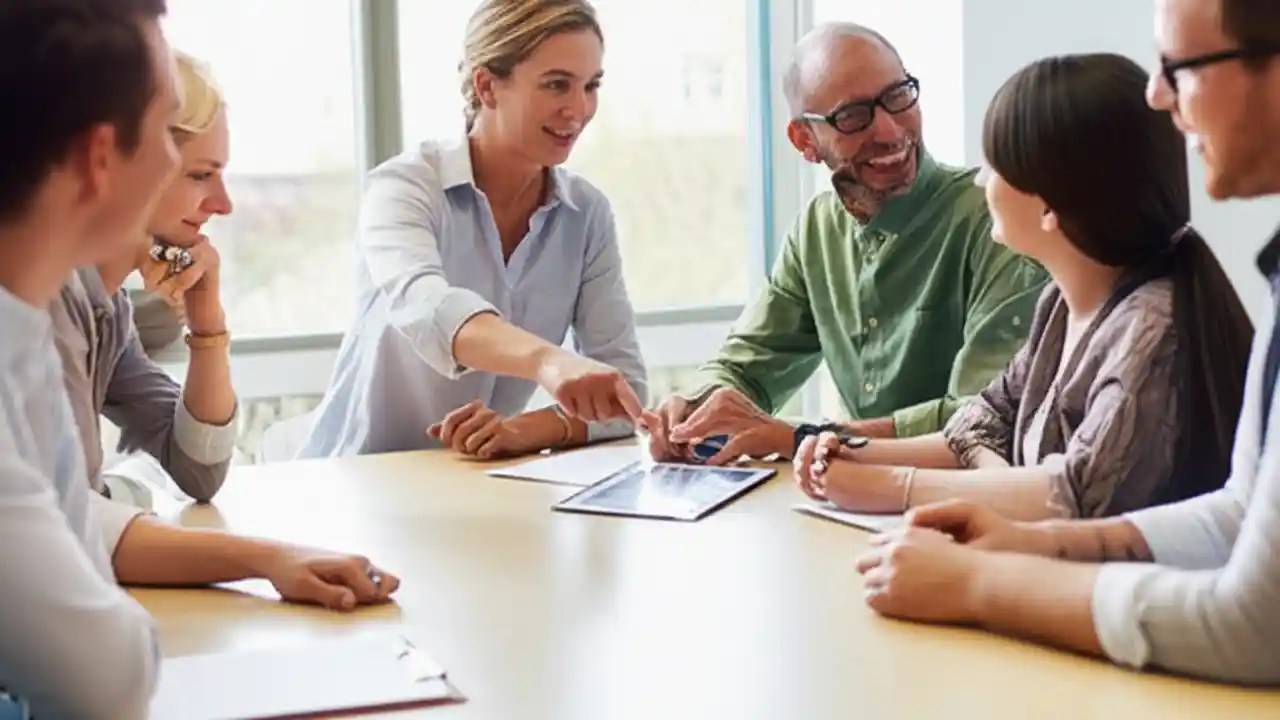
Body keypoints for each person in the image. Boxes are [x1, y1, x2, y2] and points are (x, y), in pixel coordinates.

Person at [854, 0, 1280, 685]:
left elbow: (1258, 626)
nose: (1156, 95)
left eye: (1180, 67)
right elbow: (1238, 515)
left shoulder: (1153, 324)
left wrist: (981, 584)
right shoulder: (1069, 302)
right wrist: (1036, 544)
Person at [793, 53, 1252, 521]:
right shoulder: (1059, 303)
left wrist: (895, 485)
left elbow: (1076, 495)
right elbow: (979, 424)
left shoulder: (1152, 330)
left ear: (1052, 202)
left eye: (996, 166)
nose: (980, 179)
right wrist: (855, 453)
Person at [51, 50, 401, 618]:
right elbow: (64, 524)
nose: (224, 204)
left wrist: (207, 319)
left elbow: (199, 469)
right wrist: (270, 560)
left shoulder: (106, 305)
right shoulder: (45, 300)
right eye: (199, 174)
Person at [643, 23, 1047, 466]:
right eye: (853, 115)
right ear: (805, 141)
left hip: (971, 501)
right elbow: (746, 367)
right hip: (857, 500)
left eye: (898, 96)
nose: (890, 130)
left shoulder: (997, 224)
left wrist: (803, 436)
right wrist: (693, 412)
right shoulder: (816, 230)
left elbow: (986, 418)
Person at [298, 0, 647, 461]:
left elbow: (625, 391)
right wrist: (548, 360)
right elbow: (428, 308)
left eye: (591, 86)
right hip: (358, 480)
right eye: (556, 84)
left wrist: (522, 430)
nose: (578, 109)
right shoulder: (403, 189)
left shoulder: (587, 215)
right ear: (487, 86)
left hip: (478, 487)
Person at [0, 1, 175, 715]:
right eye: (167, 128)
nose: (173, 159)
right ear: (99, 157)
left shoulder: (26, 332)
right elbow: (106, 679)